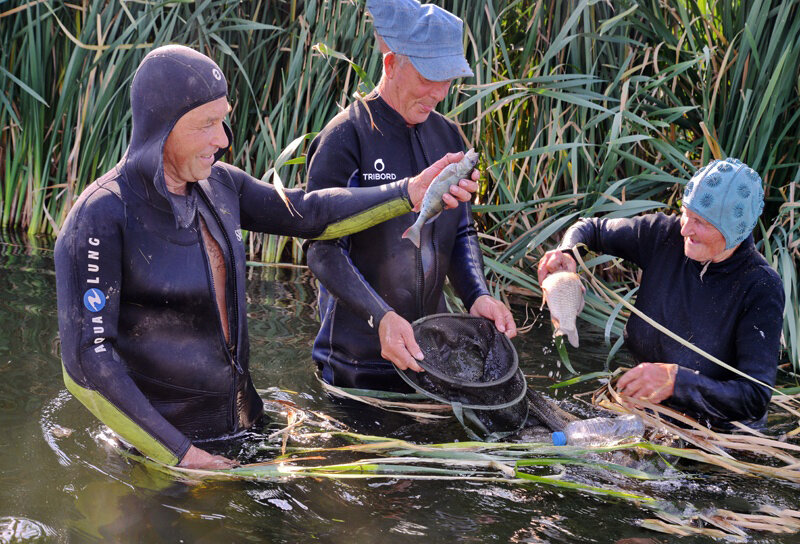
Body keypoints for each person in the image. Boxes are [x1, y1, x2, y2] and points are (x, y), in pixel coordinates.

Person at [54, 45, 478, 470]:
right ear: (160, 127)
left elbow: (310, 214)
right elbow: (88, 362)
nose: (221, 140)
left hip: (246, 431)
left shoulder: (221, 186)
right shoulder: (101, 216)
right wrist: (182, 456)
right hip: (162, 456)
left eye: (222, 121)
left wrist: (408, 192)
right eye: (206, 125)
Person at [305, 1, 516, 392]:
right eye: (427, 77)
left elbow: (462, 231)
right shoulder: (345, 137)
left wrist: (477, 295)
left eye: (448, 78)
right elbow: (322, 250)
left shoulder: (449, 137)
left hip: (429, 360)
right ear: (390, 65)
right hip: (356, 367)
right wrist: (380, 317)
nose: (439, 92)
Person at [537, 158, 785, 430]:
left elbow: (754, 397)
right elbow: (591, 229)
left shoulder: (760, 286)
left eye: (700, 222)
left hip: (714, 437)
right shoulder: (663, 235)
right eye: (686, 213)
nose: (685, 229)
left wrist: (677, 381)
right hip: (645, 413)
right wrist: (568, 253)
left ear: (733, 231)